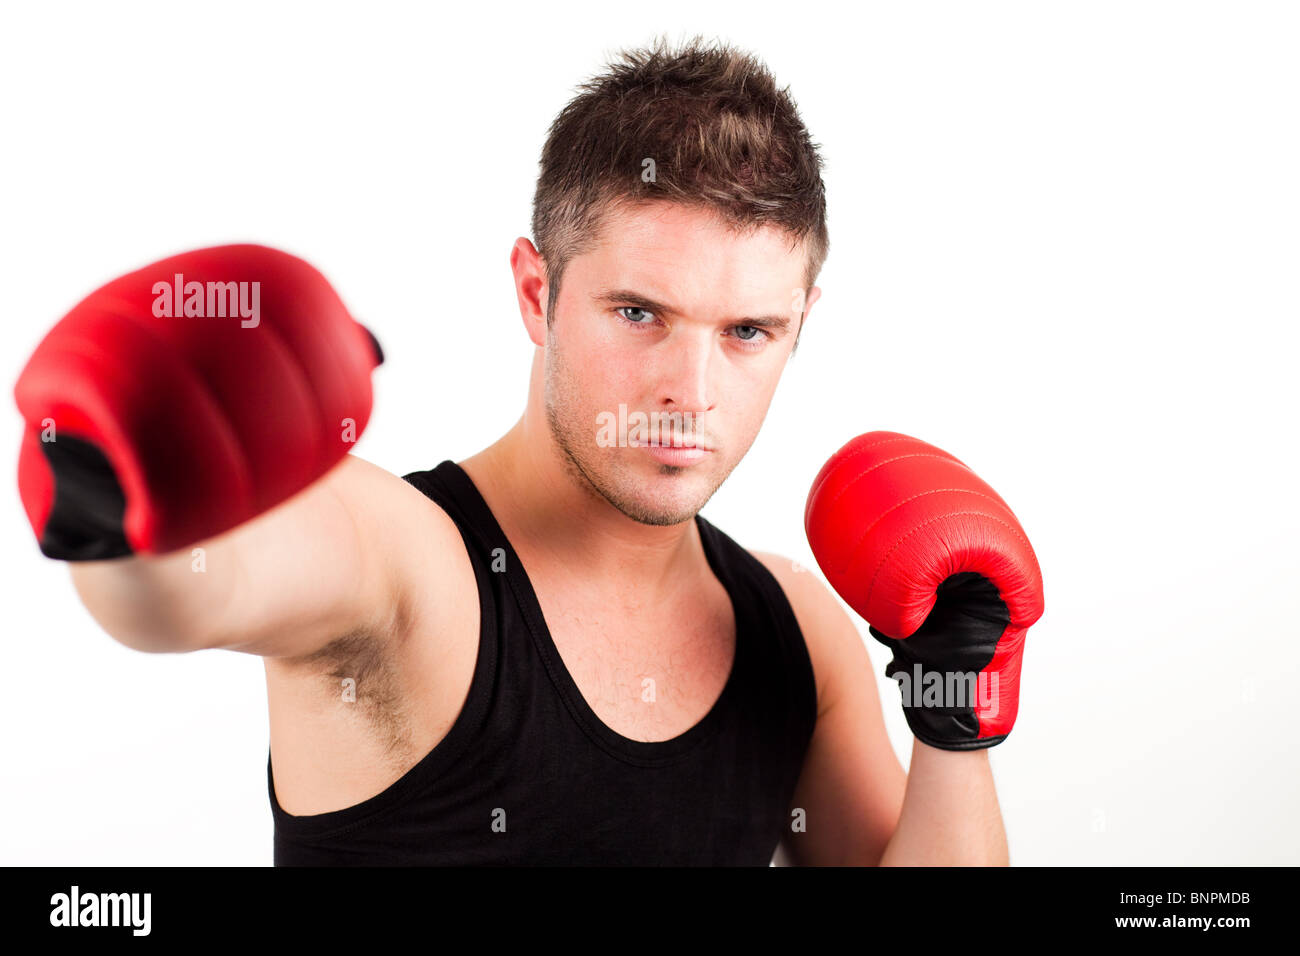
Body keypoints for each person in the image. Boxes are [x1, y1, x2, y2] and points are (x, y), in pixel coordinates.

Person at [14, 36, 1041, 866]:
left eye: (746, 332)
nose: (690, 388)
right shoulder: (409, 561)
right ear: (535, 291)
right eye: (640, 311)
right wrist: (121, 484)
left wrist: (956, 717)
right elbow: (189, 589)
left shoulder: (797, 630)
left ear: (800, 323)